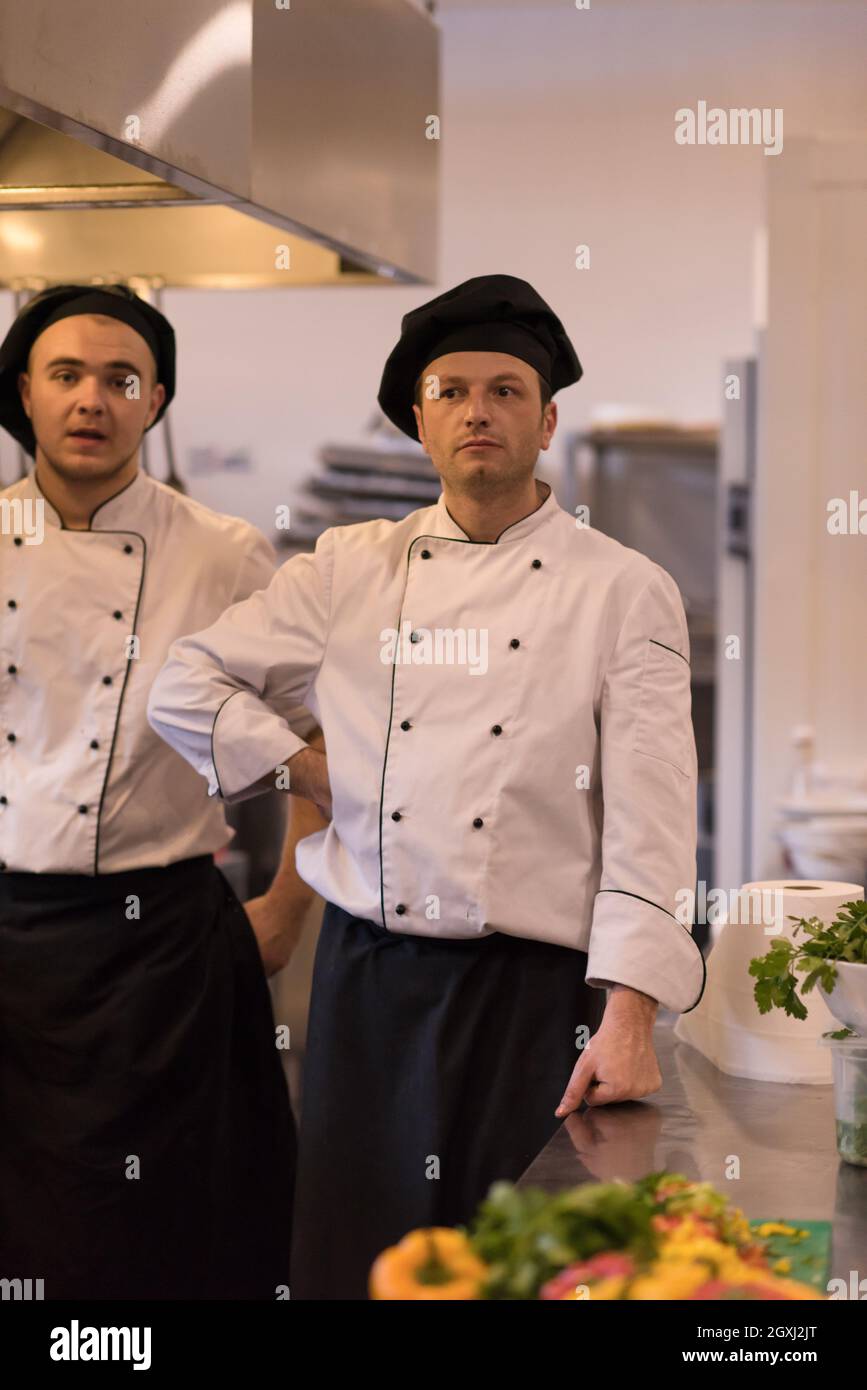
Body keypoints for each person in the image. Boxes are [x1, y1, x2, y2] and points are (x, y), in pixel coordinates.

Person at [147, 273, 706, 1300]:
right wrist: (302, 764)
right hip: (370, 983)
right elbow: (183, 686)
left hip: (538, 995)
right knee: (363, 1258)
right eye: (452, 391)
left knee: (522, 1263)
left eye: (503, 391)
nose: (477, 411)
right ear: (421, 420)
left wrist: (633, 1010)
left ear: (545, 421)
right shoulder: (346, 566)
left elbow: (653, 817)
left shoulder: (623, 588)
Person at [0, 283, 320, 1299]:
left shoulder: (221, 551)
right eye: (66, 375)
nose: (92, 398)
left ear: (156, 399)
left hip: (164, 946)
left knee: (180, 1231)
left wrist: (288, 900)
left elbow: (315, 734)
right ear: (25, 394)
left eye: (120, 378)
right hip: (7, 939)